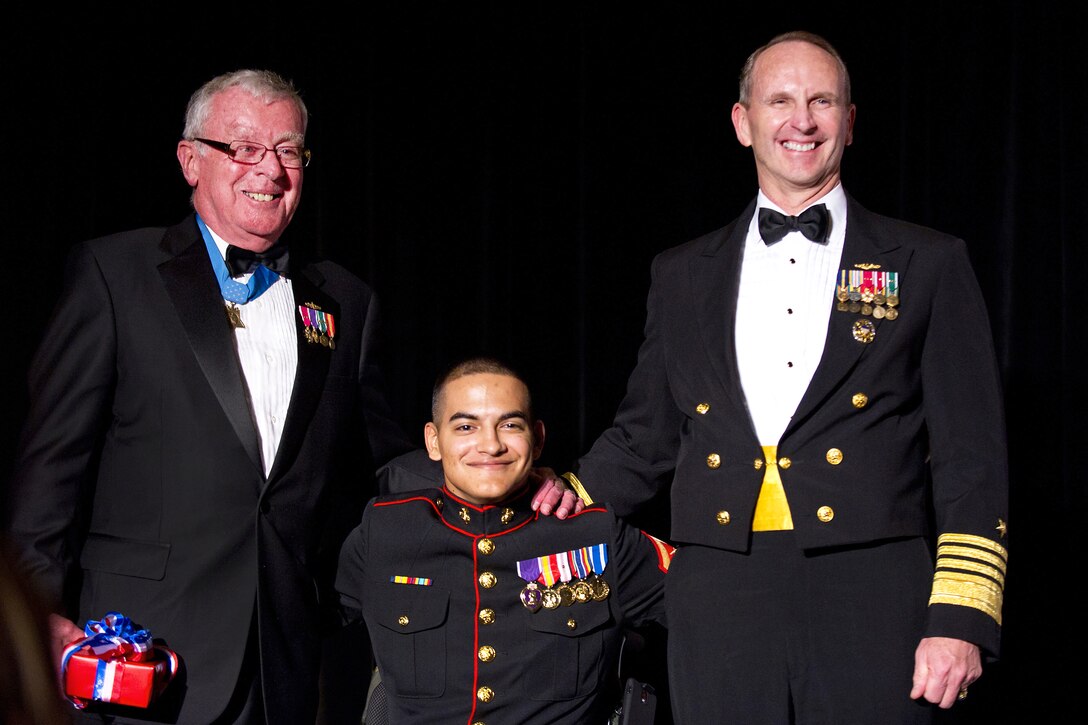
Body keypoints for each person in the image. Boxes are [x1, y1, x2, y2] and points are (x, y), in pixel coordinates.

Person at [533, 30, 1009, 724]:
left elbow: (973, 461)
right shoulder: (681, 273)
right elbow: (646, 436)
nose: (802, 120)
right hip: (720, 591)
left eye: (822, 101)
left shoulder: (928, 264)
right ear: (742, 121)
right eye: (780, 100)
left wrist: (962, 618)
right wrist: (562, 493)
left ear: (850, 122)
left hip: (873, 589)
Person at [5, 69, 417, 724]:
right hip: (134, 663)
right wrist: (35, 626)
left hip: (282, 669)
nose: (272, 170)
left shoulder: (344, 301)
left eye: (289, 150)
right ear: (190, 159)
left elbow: (386, 462)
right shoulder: (115, 275)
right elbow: (51, 473)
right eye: (245, 147)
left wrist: (512, 481)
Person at [336, 358, 672, 724]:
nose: (491, 445)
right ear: (434, 441)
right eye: (466, 426)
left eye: (510, 425)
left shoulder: (595, 538)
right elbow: (305, 628)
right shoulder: (385, 533)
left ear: (538, 439)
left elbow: (711, 602)